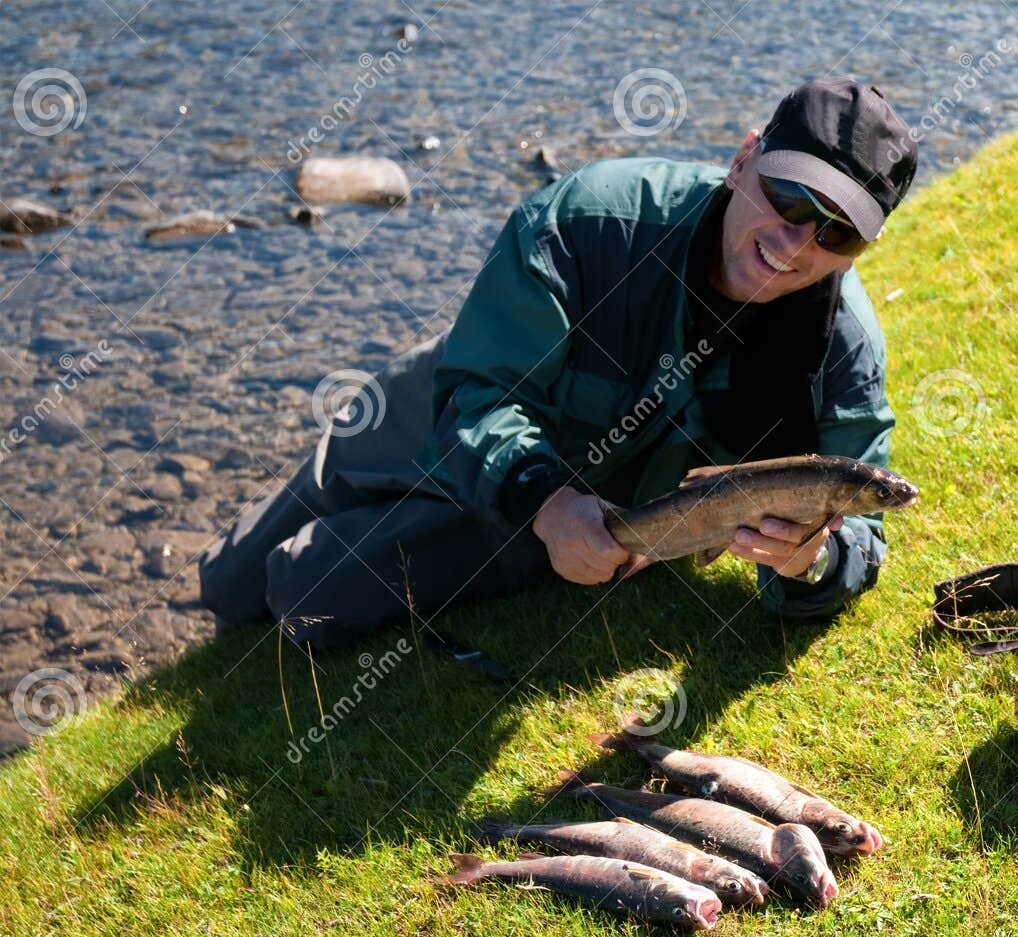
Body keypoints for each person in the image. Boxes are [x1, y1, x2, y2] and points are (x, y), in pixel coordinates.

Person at [199, 78, 918, 649]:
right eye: (787, 196)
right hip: (461, 404)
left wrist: (808, 563)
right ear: (743, 158)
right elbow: (481, 392)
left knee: (302, 593)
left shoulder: (843, 345)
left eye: (838, 232)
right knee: (226, 584)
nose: (796, 242)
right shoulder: (587, 221)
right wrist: (546, 500)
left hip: (578, 508)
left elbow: (860, 537)